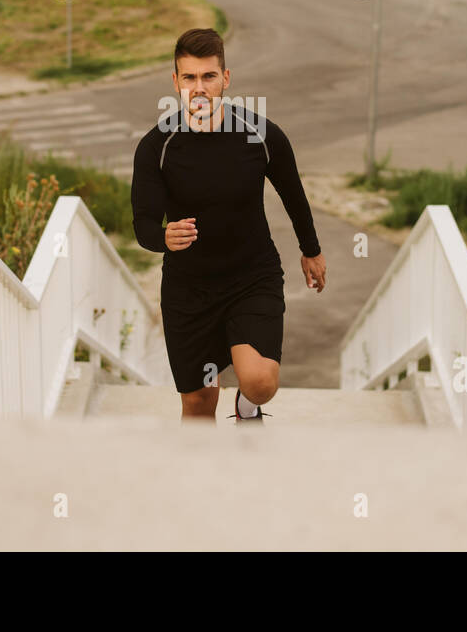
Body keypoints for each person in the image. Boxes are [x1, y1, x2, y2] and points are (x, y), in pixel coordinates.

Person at [131, 27, 326, 424]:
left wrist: (312, 249)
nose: (199, 88)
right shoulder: (157, 147)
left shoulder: (261, 135)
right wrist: (163, 237)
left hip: (252, 278)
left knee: (259, 382)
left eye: (208, 76)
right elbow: (143, 224)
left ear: (226, 78)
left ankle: (248, 406)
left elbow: (293, 194)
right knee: (200, 405)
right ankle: (205, 483)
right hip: (189, 290)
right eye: (189, 77)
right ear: (175, 82)